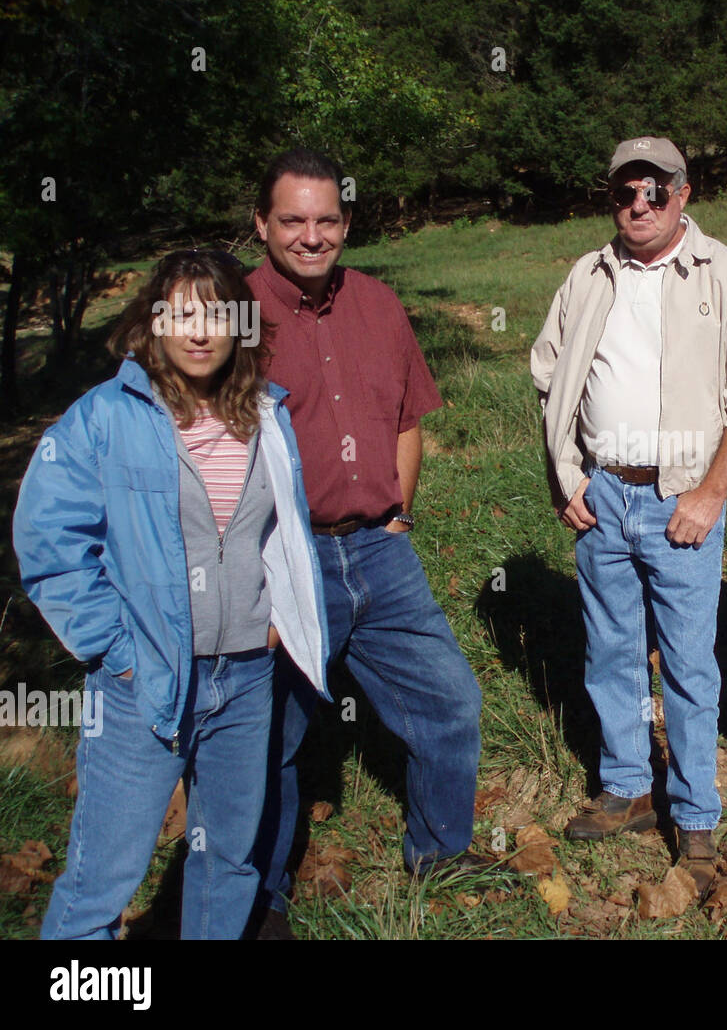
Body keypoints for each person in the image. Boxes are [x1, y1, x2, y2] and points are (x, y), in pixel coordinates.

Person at [14, 251, 327, 939]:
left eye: (214, 312)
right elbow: (49, 539)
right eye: (180, 312)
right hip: (144, 681)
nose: (198, 329)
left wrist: (277, 619)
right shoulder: (107, 416)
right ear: (152, 322)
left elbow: (282, 534)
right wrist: (114, 646)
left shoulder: (266, 415)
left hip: (245, 678)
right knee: (102, 878)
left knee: (229, 862)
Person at [531, 137, 727, 895]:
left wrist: (711, 492)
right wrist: (566, 474)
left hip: (683, 494)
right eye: (624, 193)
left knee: (687, 660)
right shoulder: (588, 274)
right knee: (609, 649)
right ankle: (627, 787)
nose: (638, 205)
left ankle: (696, 814)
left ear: (684, 192)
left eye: (655, 190)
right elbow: (549, 375)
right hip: (603, 493)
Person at [246, 149, 484, 939]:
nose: (311, 236)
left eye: (325, 220)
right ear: (262, 225)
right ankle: (262, 897)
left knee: (450, 700)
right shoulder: (233, 318)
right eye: (292, 220)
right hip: (286, 559)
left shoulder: (379, 303)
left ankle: (440, 850)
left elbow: (408, 418)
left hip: (380, 550)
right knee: (270, 738)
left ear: (345, 224)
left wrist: (398, 514)